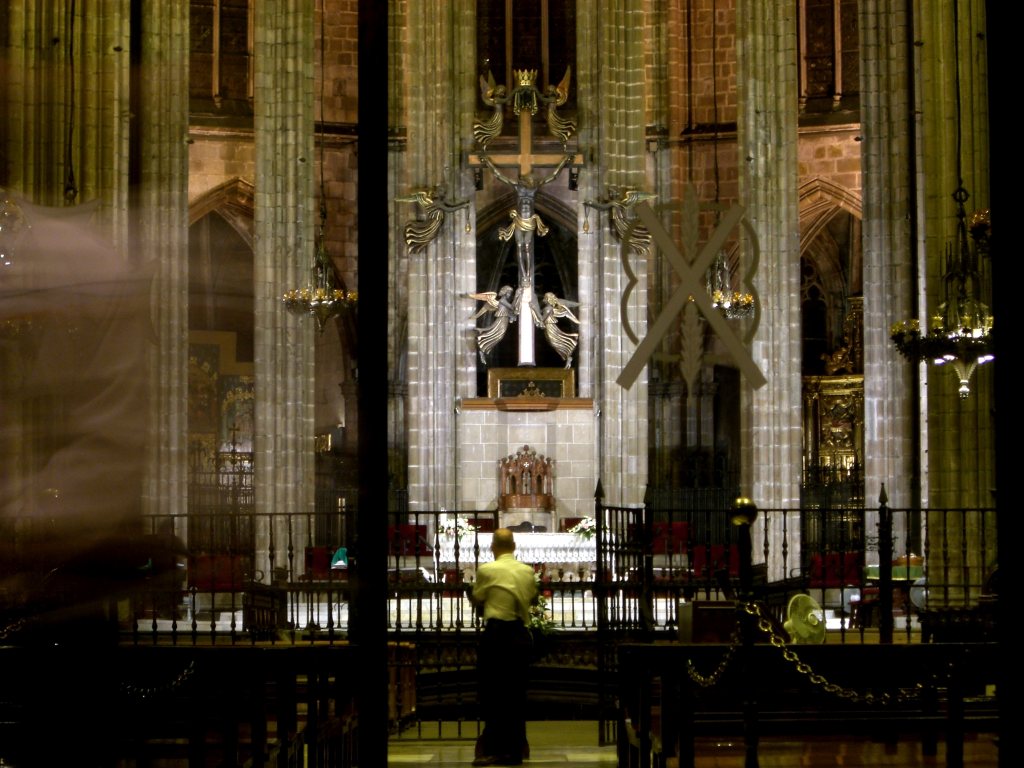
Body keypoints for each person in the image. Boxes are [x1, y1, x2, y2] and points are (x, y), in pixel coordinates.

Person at [468, 528, 539, 766]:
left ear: (493, 547)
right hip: (519, 636)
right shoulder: (527, 571)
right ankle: (516, 747)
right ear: (514, 546)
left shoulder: (487, 570)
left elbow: (477, 596)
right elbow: (531, 597)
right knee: (517, 692)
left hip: (496, 636)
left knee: (493, 692)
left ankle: (496, 747)